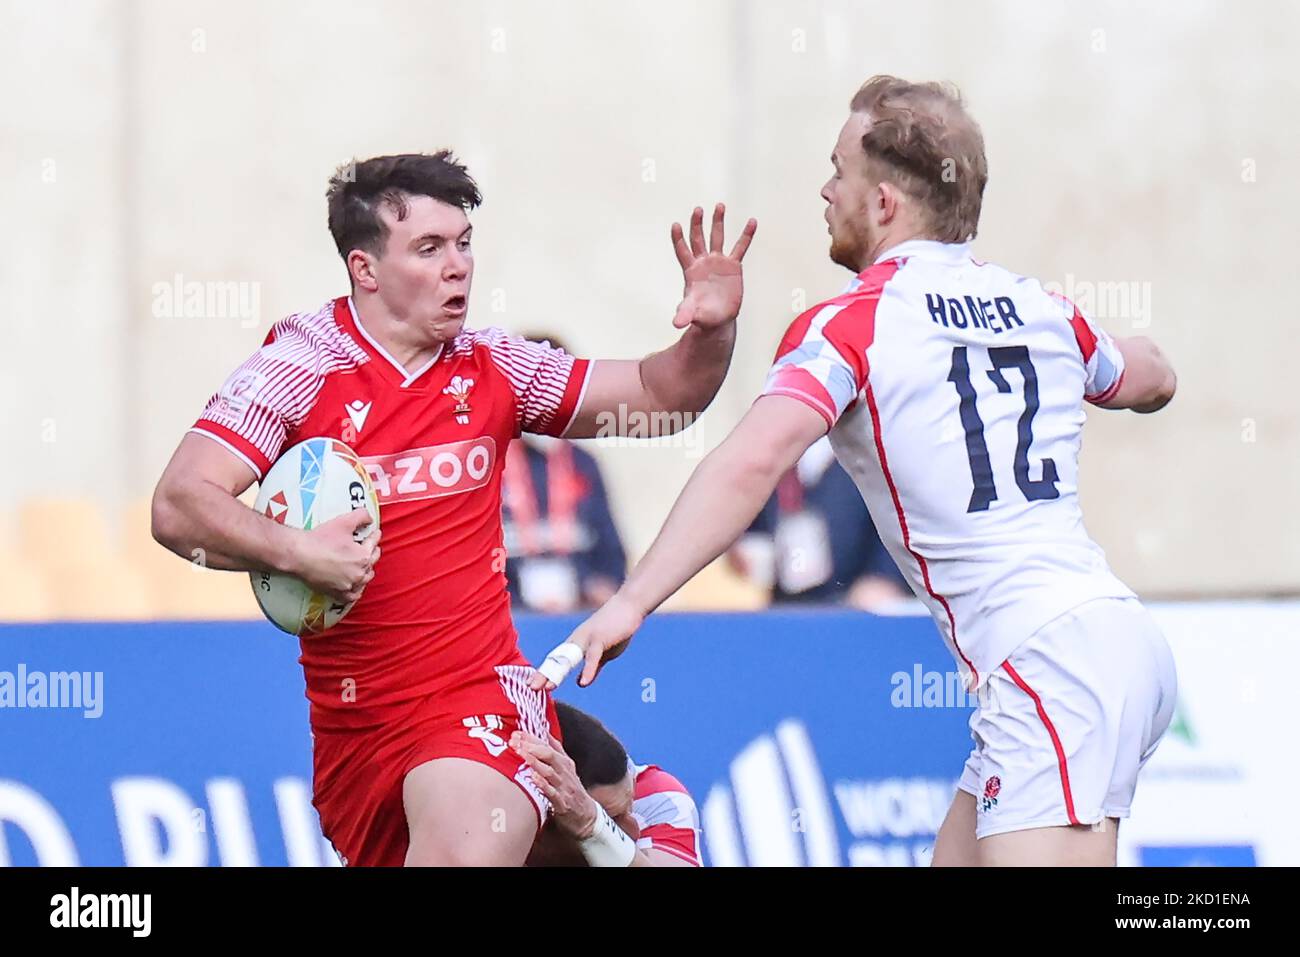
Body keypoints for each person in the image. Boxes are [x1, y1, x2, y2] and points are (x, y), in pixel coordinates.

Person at [533, 76, 1179, 868]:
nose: (825, 188)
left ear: (882, 204)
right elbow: (1151, 377)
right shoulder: (1043, 309)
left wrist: (633, 602)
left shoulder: (851, 323)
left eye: (839, 169)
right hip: (1098, 642)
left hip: (1045, 659)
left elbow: (750, 460)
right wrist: (1111, 348)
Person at [151, 151, 755, 866]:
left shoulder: (496, 364)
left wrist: (709, 334)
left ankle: (633, 805)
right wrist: (296, 550)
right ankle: (632, 811)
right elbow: (180, 503)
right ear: (364, 268)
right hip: (355, 737)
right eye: (429, 248)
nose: (458, 265)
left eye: (464, 243)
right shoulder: (302, 365)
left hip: (481, 707)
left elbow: (662, 395)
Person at [502, 333, 627, 613]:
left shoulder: (583, 464)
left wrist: (598, 586)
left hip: (579, 613)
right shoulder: (488, 462)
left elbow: (611, 550)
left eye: (555, 389)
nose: (545, 401)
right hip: (509, 617)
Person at [730, 435, 909, 609]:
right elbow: (756, 525)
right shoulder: (774, 456)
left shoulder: (873, 451)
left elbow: (900, 516)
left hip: (859, 601)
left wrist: (887, 577)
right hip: (788, 603)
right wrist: (743, 550)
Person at [517, 702, 701, 867]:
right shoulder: (501, 817)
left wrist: (591, 825)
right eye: (609, 819)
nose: (635, 831)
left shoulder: (654, 795)